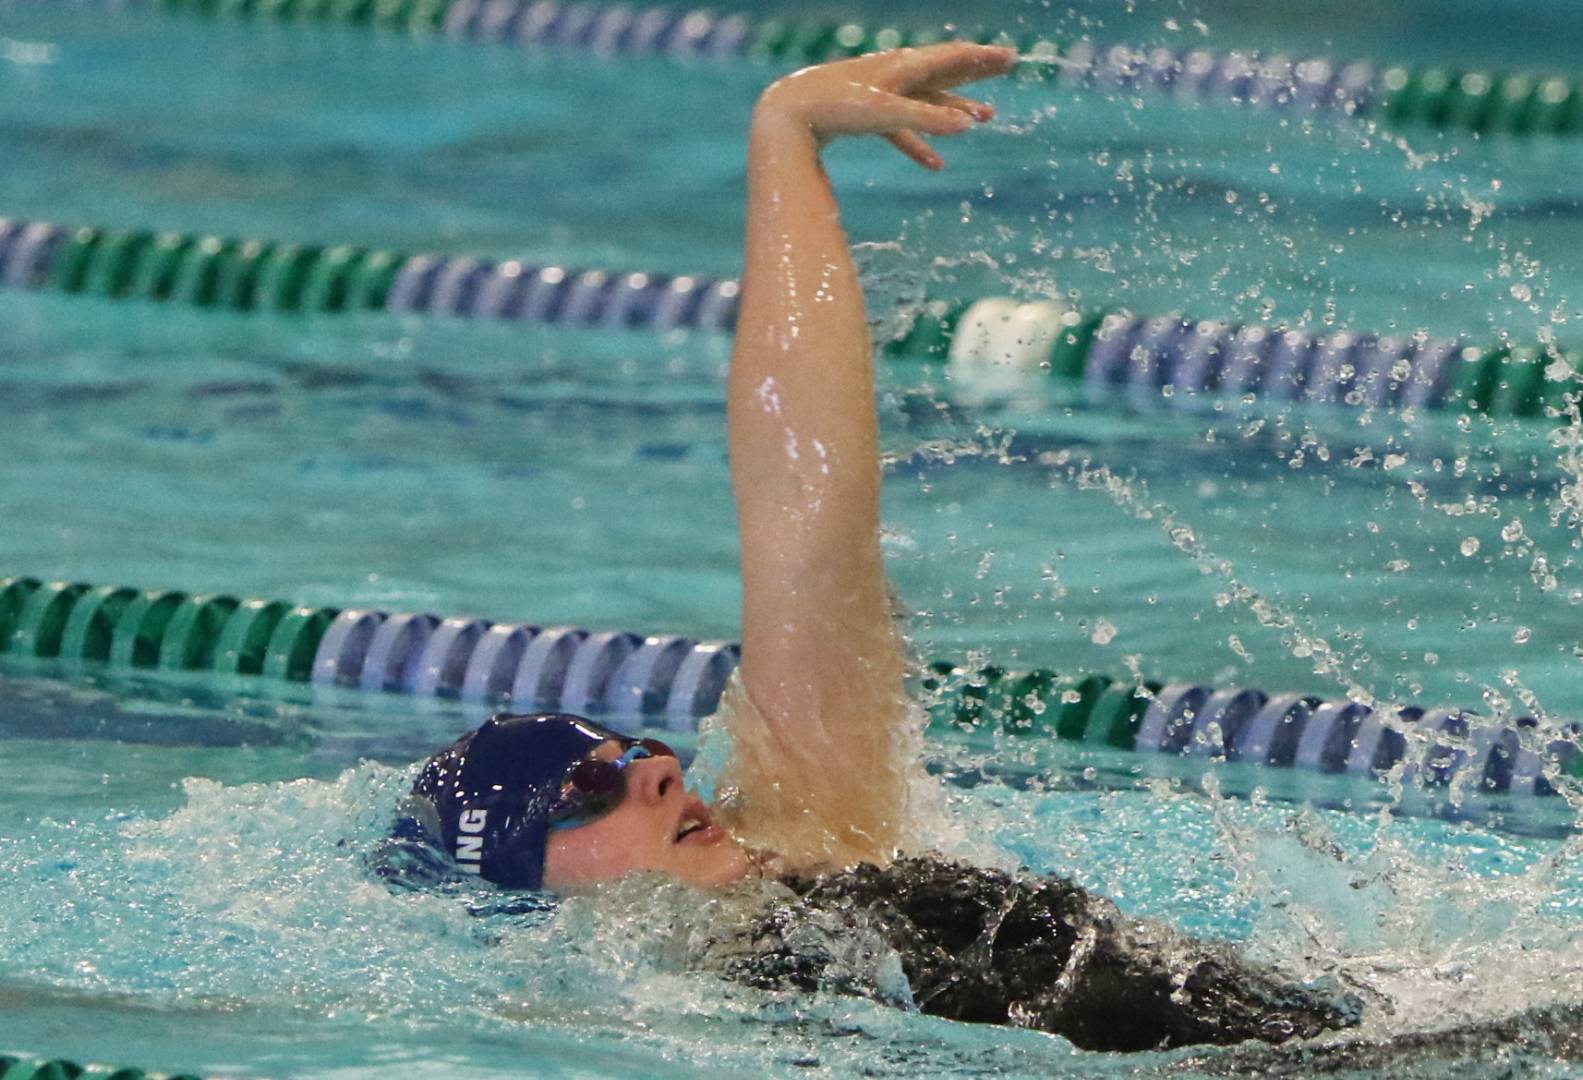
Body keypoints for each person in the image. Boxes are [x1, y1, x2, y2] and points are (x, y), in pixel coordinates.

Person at [390, 42, 1361, 1053]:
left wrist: (786, 141)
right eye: (595, 789)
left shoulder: (806, 820)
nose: (663, 772)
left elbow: (806, 511)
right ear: (524, 881)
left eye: (636, 752)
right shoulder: (645, 1016)